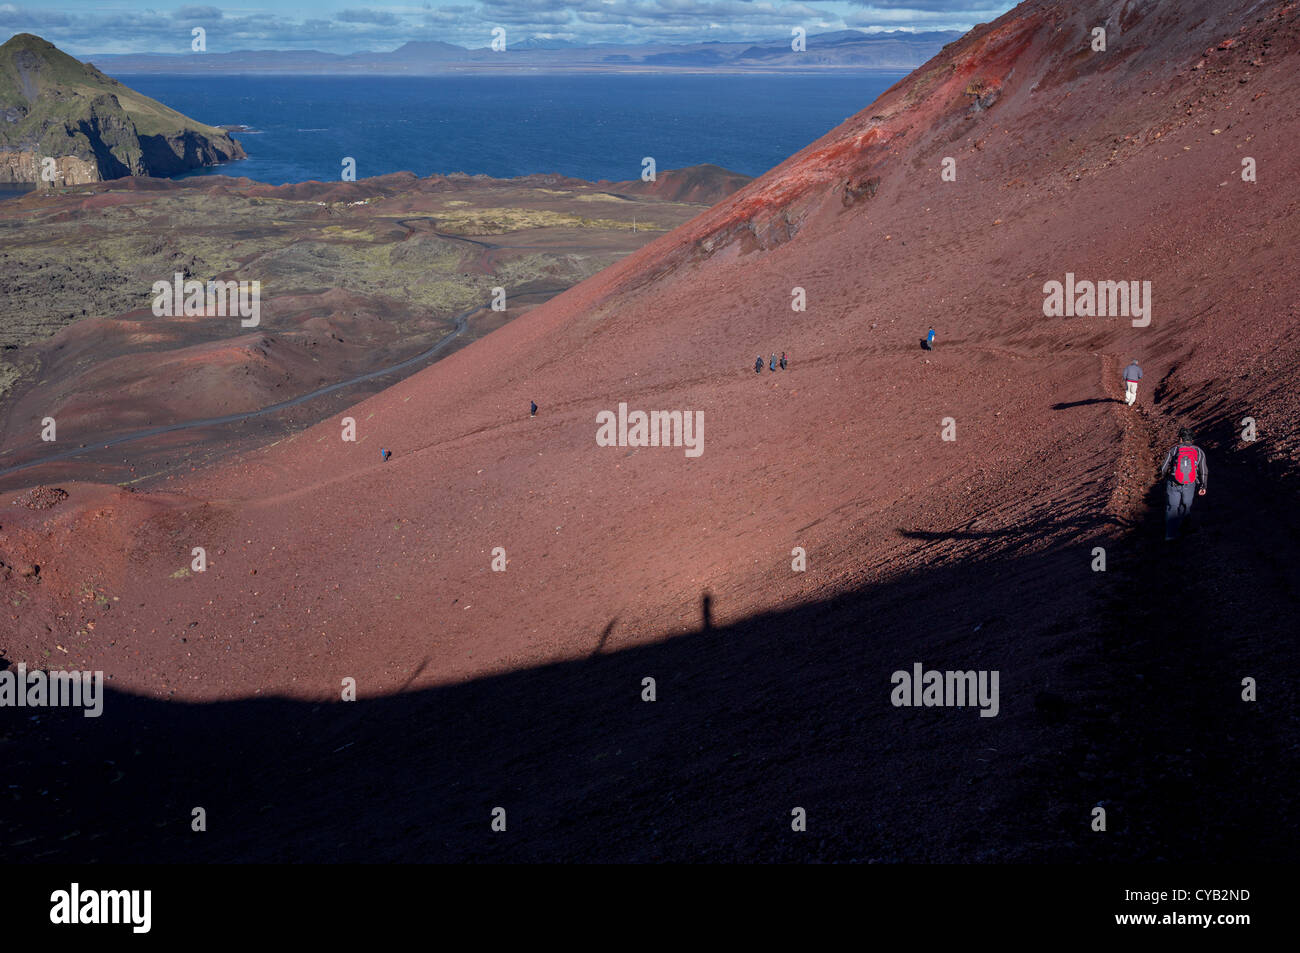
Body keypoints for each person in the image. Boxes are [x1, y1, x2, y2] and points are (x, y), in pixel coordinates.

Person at [1158, 427, 1208, 540]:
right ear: (1192, 439)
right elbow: (1203, 470)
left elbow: (1163, 468)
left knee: (1172, 507)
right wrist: (1203, 485)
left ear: (1180, 439)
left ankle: (1170, 534)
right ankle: (1183, 531)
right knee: (1186, 506)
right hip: (1190, 484)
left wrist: (1166, 478)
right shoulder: (1199, 452)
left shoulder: (1174, 450)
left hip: (1173, 483)